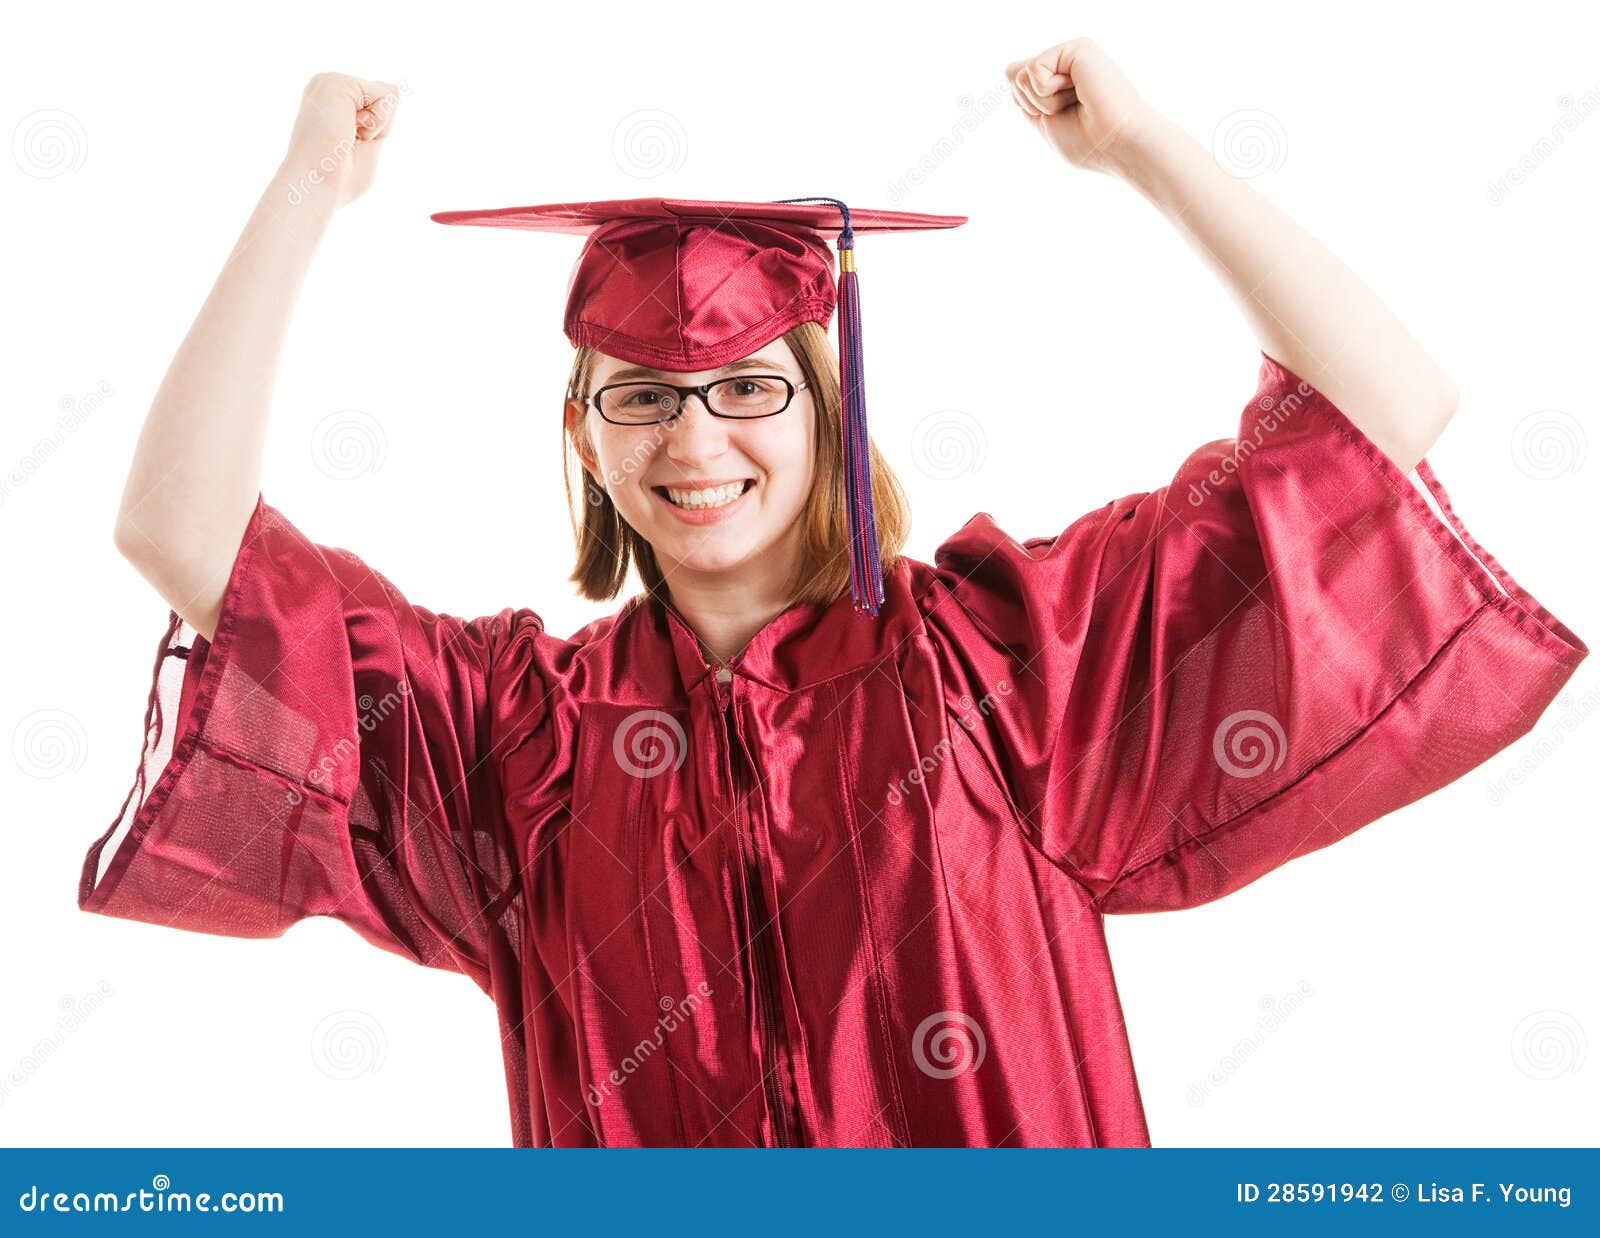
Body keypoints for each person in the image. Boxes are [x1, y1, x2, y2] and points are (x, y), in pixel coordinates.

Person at [80, 44, 1586, 1148]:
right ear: (583, 441)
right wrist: (302, 193)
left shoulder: (1005, 667)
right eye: (642, 399)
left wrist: (1144, 149)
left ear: (823, 412)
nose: (693, 437)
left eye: (745, 387)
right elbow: (178, 530)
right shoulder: (510, 739)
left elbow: (1384, 405)